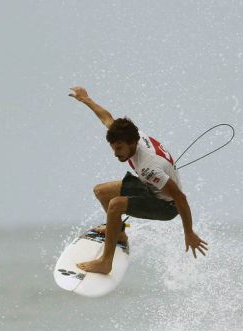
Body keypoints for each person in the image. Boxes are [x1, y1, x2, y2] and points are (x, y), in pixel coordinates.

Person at [69, 86, 208, 274]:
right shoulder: (130, 135)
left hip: (166, 206)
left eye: (119, 149)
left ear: (132, 144)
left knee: (115, 205)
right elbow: (106, 118)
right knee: (101, 191)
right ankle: (119, 234)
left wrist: (189, 232)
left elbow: (180, 198)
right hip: (149, 187)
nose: (115, 153)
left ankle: (105, 263)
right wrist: (86, 99)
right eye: (113, 148)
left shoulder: (148, 166)